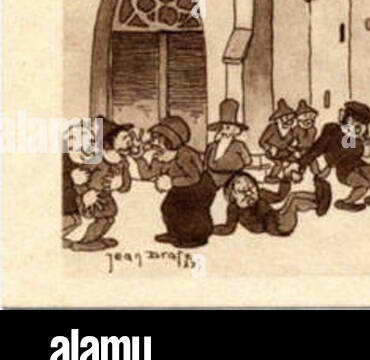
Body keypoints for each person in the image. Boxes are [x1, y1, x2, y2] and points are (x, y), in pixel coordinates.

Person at [138, 116, 217, 248]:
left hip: (199, 187)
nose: (154, 142)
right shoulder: (160, 155)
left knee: (191, 212)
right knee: (167, 207)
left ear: (171, 139)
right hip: (180, 186)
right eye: (155, 137)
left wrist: (171, 182)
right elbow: (148, 174)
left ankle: (196, 237)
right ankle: (174, 233)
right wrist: (139, 158)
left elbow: (194, 177)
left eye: (159, 138)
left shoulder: (184, 154)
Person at [292, 101, 370, 212]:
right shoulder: (334, 131)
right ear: (344, 117)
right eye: (352, 121)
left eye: (360, 124)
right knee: (365, 185)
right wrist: (300, 165)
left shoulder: (356, 135)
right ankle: (347, 202)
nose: (355, 126)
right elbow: (317, 150)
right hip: (343, 170)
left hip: (358, 166)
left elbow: (360, 147)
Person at [69, 119, 134, 252]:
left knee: (109, 218)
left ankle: (95, 238)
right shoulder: (96, 159)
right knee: (104, 218)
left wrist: (121, 184)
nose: (129, 141)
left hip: (105, 197)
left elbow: (126, 186)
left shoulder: (122, 162)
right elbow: (80, 177)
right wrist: (84, 192)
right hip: (91, 198)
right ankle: (85, 242)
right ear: (109, 140)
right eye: (124, 137)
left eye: (129, 137)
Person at [212, 169, 330, 238]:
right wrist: (210, 229)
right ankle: (318, 206)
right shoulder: (234, 208)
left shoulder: (260, 194)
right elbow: (229, 228)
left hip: (277, 217)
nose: (248, 193)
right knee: (294, 202)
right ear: (232, 196)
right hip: (277, 227)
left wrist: (286, 179)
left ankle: (317, 196)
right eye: (242, 191)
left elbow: (279, 196)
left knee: (292, 196)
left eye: (251, 188)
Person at [204, 98, 253, 190]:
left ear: (236, 130)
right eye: (222, 128)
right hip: (210, 181)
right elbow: (205, 162)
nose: (223, 131)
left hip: (231, 182)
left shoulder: (239, 146)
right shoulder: (212, 146)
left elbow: (248, 161)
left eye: (227, 128)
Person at [258, 99, 297, 182]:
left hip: (285, 152)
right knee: (279, 164)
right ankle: (271, 177)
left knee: (295, 161)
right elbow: (262, 141)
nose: (289, 121)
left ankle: (291, 176)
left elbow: (289, 144)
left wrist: (292, 148)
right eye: (286, 118)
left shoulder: (291, 131)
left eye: (291, 118)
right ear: (279, 119)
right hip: (274, 153)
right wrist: (269, 147)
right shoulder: (272, 128)